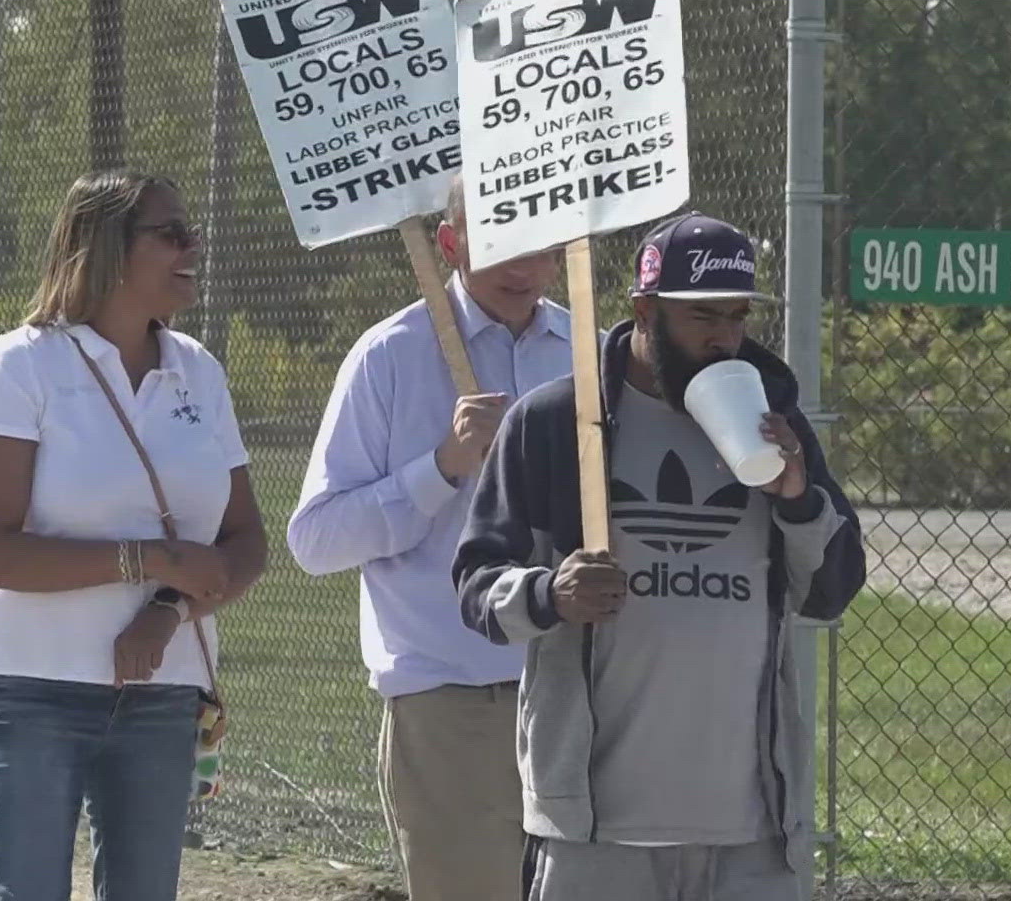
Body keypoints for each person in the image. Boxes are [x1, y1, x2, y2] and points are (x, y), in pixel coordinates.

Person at [453, 211, 865, 901]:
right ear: (644, 310)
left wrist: (796, 496)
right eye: (703, 316)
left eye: (737, 317)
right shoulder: (556, 422)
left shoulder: (776, 421)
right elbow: (476, 587)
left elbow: (830, 591)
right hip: (594, 830)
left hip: (752, 830)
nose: (725, 338)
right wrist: (551, 593)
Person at [0, 171, 267, 901]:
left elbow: (245, 541)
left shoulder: (201, 373)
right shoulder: (16, 365)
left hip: (164, 693)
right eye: (171, 234)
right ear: (104, 249)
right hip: (33, 688)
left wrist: (168, 609)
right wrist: (149, 560)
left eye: (191, 231)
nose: (194, 245)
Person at [287, 175, 567, 901]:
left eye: (540, 239)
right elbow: (317, 540)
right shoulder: (389, 357)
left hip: (579, 694)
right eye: (501, 235)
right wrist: (441, 467)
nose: (523, 264)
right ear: (450, 241)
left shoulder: (589, 356)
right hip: (451, 704)